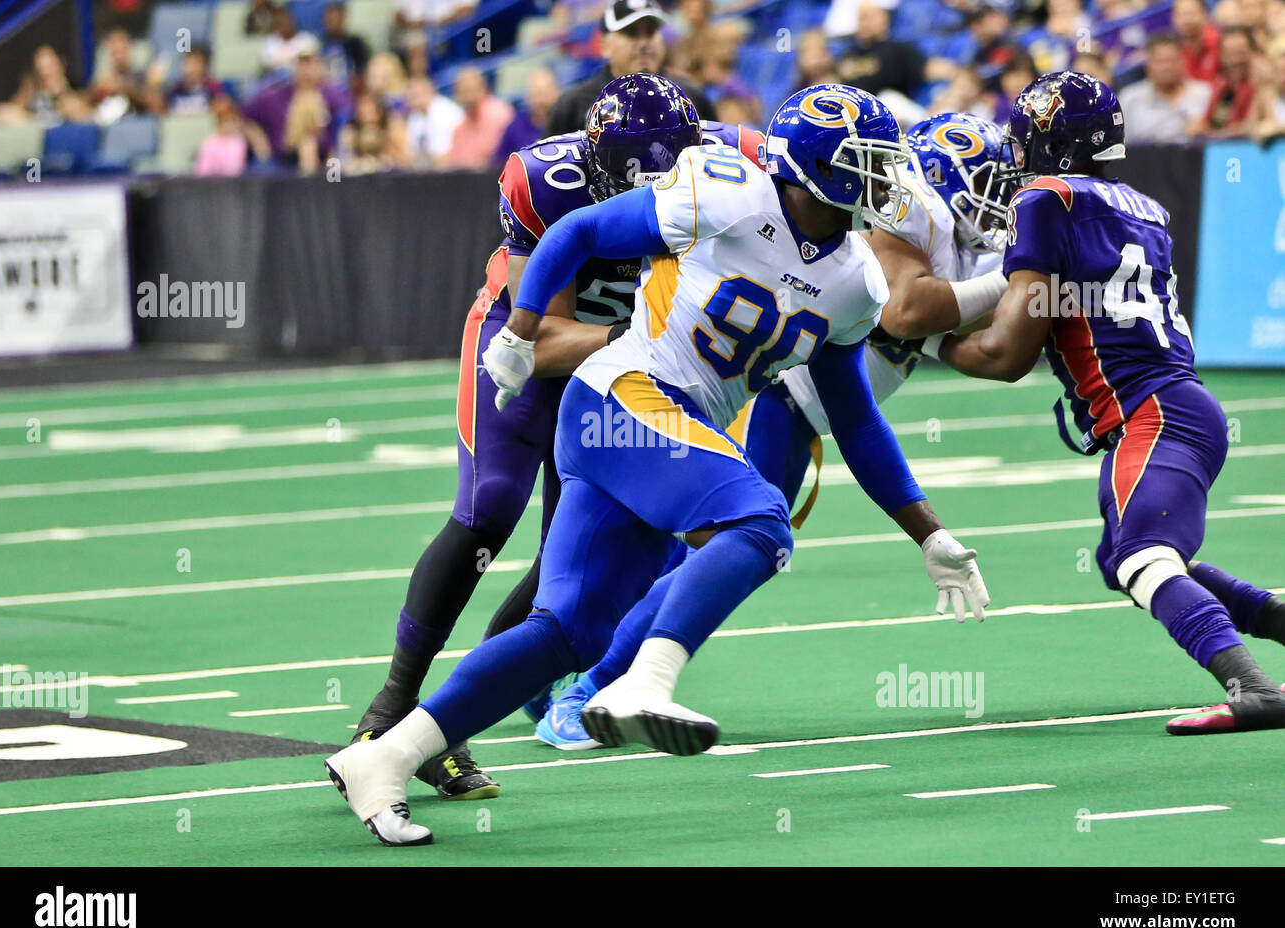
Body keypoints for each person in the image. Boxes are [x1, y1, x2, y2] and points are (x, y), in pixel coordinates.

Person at [327, 83, 988, 845]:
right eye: (868, 164)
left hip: (654, 423)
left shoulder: (857, 282)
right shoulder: (726, 189)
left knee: (568, 631)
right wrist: (518, 328)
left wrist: (929, 532)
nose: (885, 182)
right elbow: (576, 232)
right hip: (624, 395)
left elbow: (855, 419)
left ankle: (383, 757)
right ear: (816, 169)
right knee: (758, 519)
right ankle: (648, 680)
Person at [537, 111, 1014, 749]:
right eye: (990, 179)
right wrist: (1017, 279)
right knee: (721, 549)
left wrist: (929, 532)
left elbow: (950, 360)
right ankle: (592, 687)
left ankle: (583, 678)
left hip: (781, 410)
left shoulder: (890, 256)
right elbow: (906, 316)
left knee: (699, 556)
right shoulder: (903, 225)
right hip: (751, 400)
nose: (1000, 196)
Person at [344, 74, 759, 806]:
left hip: (630, 370)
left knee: (576, 561)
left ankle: (445, 719)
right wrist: (653, 340)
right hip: (530, 349)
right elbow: (543, 331)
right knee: (490, 507)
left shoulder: (731, 159)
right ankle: (389, 707)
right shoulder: (545, 180)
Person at [923, 70, 1285, 735]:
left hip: (1151, 414)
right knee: (1123, 560)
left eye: (1027, 139)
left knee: (1145, 557)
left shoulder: (1046, 197)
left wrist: (924, 344)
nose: (1018, 154)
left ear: (1051, 144)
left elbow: (1008, 354)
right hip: (1177, 407)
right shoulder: (1143, 205)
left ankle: (1253, 686)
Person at [545, 0, 717, 136]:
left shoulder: (689, 96)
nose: (643, 44)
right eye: (631, 33)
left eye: (650, 32)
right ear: (604, 45)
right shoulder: (573, 105)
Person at [1118, 33, 1212, 143]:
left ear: (1183, 62)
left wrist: (1205, 131)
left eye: (1172, 60)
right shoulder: (1129, 98)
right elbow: (1120, 142)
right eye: (1160, 61)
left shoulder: (1204, 93)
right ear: (1148, 66)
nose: (1166, 67)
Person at [437, 67, 514, 170]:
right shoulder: (460, 128)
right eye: (462, 91)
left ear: (483, 88)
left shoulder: (499, 114)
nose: (468, 96)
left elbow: (497, 157)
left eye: (471, 90)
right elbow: (452, 161)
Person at [1193, 26, 1259, 136]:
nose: (1235, 60)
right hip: (1220, 150)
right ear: (1222, 56)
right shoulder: (1219, 87)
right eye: (1230, 54)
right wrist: (1199, 127)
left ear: (1253, 53)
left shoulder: (1261, 88)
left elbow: (1253, 125)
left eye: (1241, 53)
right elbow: (1206, 123)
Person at [493, 67, 560, 164]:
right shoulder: (515, 127)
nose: (542, 100)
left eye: (546, 93)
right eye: (536, 94)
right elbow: (499, 164)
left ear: (557, 92)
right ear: (527, 97)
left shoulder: (571, 123)